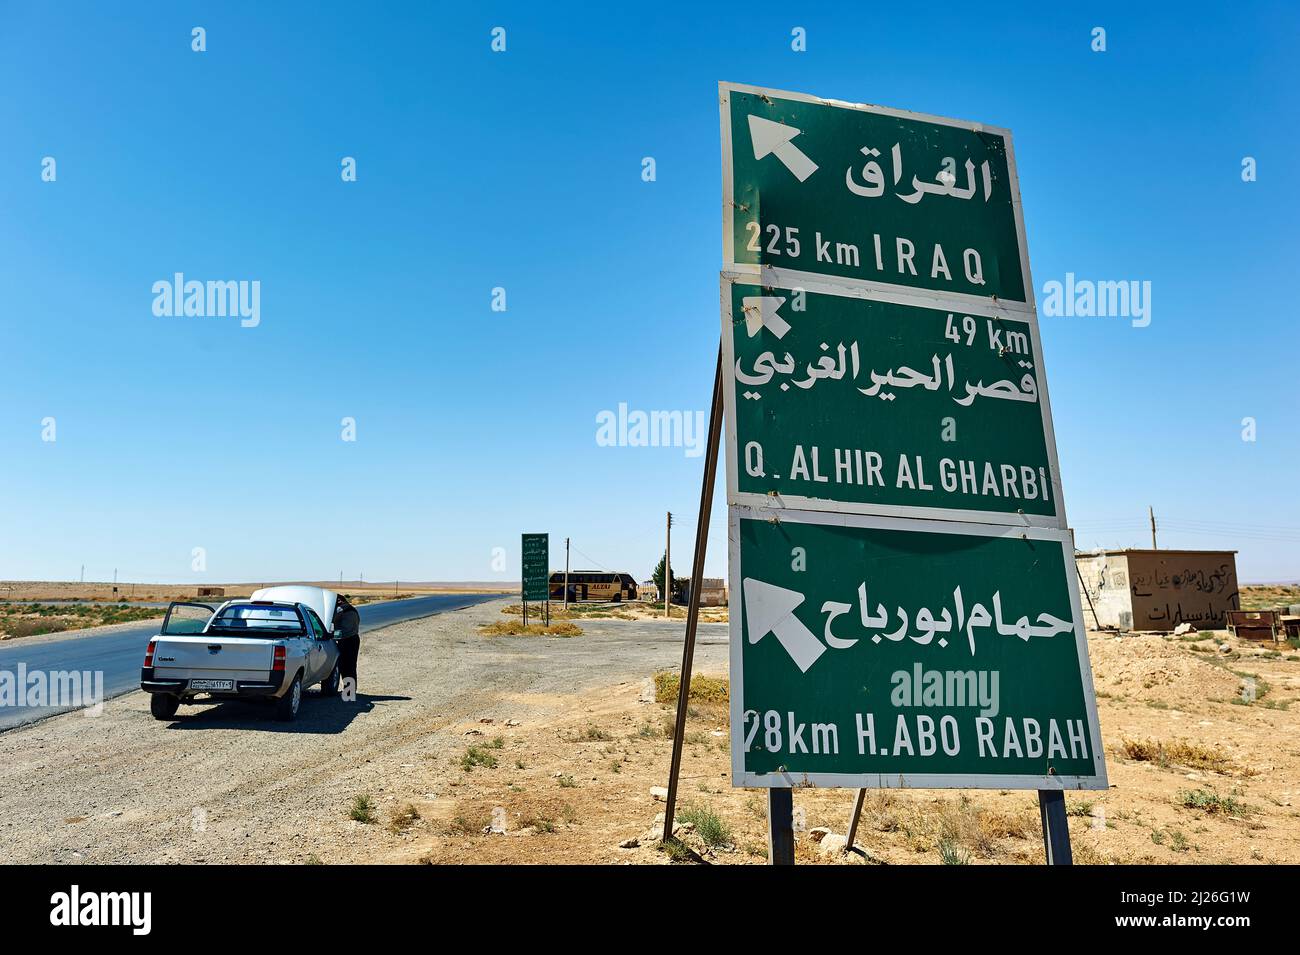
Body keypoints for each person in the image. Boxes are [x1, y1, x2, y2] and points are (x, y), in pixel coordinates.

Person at [333, 595, 361, 697]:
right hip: (354, 639)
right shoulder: (352, 609)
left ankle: (349, 691)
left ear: (339, 601)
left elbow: (332, 620)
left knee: (345, 666)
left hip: (346, 640)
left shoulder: (340, 610)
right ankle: (350, 690)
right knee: (351, 666)